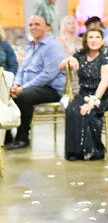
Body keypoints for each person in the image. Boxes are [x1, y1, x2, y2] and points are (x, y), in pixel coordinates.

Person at [6, 15, 67, 149]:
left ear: (46, 27)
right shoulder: (31, 46)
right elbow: (23, 70)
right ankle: (7, 136)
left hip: (51, 88)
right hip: (31, 87)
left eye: (37, 24)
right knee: (5, 93)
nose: (33, 27)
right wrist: (16, 84)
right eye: (31, 24)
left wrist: (23, 88)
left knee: (23, 97)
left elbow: (48, 74)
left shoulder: (53, 46)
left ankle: (23, 138)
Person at [60, 29, 108, 160]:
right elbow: (60, 67)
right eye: (91, 37)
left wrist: (93, 101)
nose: (94, 40)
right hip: (84, 92)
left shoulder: (105, 54)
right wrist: (69, 59)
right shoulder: (81, 53)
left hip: (103, 94)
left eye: (97, 37)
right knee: (72, 110)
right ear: (86, 40)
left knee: (88, 112)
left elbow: (105, 81)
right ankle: (75, 152)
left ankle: (95, 149)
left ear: (102, 40)